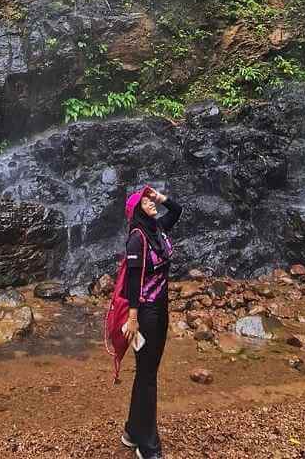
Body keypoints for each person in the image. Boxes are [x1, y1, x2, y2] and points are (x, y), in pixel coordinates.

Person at [121, 185, 183, 459]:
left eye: (151, 199)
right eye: (146, 200)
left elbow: (178, 210)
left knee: (148, 373)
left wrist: (161, 197)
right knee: (147, 377)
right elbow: (134, 282)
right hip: (145, 312)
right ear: (136, 209)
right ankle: (148, 446)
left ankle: (133, 431)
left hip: (161, 307)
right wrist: (132, 319)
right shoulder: (137, 238)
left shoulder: (157, 230)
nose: (151, 202)